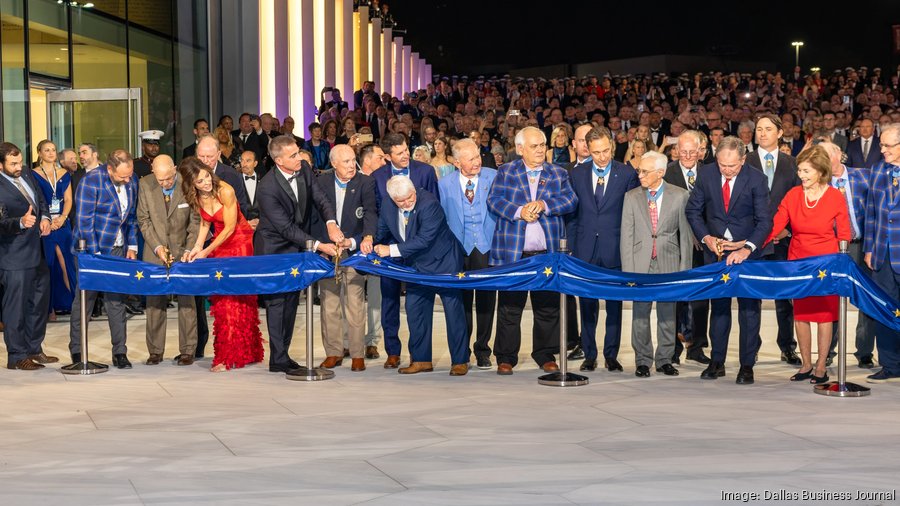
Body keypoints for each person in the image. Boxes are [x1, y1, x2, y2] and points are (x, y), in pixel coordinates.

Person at [487, 126, 578, 375]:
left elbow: (571, 200)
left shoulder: (558, 172)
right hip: (513, 254)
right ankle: (506, 357)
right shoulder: (506, 171)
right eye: (534, 146)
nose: (540, 150)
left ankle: (545, 354)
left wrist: (544, 205)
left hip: (547, 254)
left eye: (542, 145)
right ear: (520, 149)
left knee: (547, 308)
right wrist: (519, 211)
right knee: (509, 308)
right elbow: (494, 201)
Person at [685, 136, 772, 385]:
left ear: (743, 160)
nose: (726, 170)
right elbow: (693, 210)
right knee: (719, 307)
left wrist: (747, 248)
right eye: (722, 164)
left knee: (749, 310)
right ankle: (717, 361)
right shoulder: (706, 174)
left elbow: (765, 221)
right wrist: (706, 238)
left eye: (731, 166)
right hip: (716, 252)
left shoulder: (756, 179)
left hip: (747, 254)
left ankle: (747, 365)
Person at [254, 135, 342, 373]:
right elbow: (285, 228)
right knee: (277, 303)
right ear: (279, 161)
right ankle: (278, 359)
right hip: (273, 248)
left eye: (298, 152)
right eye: (293, 155)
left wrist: (331, 223)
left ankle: (281, 356)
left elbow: (321, 198)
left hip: (297, 244)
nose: (299, 157)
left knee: (292, 300)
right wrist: (320, 246)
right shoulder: (267, 187)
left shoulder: (302, 168)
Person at [764, 145, 851, 384]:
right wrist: (750, 244)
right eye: (800, 170)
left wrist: (841, 263)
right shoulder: (793, 195)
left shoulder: (835, 196)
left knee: (824, 315)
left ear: (821, 171)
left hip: (826, 263)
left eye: (806, 171)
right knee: (801, 314)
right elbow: (774, 225)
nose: (801, 175)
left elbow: (844, 233)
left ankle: (821, 365)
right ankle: (806, 365)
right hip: (798, 262)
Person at [373, 176, 470, 375]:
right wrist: (367, 240)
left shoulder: (429, 204)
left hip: (444, 263)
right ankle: (421, 360)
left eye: (410, 197)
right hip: (417, 266)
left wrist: (390, 250)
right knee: (415, 311)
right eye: (401, 201)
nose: (407, 202)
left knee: (454, 313)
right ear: (392, 199)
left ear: (414, 190)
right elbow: (381, 231)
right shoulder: (387, 205)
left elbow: (424, 239)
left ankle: (460, 361)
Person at [180, 157, 264, 372]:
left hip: (239, 242)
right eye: (200, 181)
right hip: (219, 242)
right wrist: (197, 246)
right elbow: (205, 221)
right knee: (222, 300)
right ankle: (241, 352)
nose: (206, 182)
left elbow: (229, 228)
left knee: (236, 300)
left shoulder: (225, 190)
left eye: (206, 176)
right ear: (192, 184)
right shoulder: (196, 195)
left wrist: (206, 251)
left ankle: (231, 356)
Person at [567, 127, 639, 372]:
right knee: (587, 306)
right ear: (587, 149)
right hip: (585, 249)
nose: (602, 156)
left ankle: (611, 355)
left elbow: (631, 215)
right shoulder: (577, 174)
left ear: (612, 146)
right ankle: (589, 354)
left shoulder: (626, 174)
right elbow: (573, 215)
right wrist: (573, 248)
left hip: (614, 249)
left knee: (614, 307)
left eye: (606, 151)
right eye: (596, 152)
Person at [620, 151, 693, 377]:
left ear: (660, 173)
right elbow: (626, 236)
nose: (640, 175)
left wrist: (684, 270)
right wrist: (628, 272)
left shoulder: (680, 195)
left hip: (669, 261)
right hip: (640, 264)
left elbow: (685, 237)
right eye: (639, 170)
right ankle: (642, 360)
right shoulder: (631, 196)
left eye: (645, 171)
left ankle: (664, 359)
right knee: (640, 314)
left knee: (668, 314)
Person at [370, 132, 439, 368]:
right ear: (387, 156)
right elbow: (376, 212)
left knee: (418, 302)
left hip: (420, 249)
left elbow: (435, 207)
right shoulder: (377, 177)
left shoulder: (425, 172)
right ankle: (392, 351)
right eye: (399, 153)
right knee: (389, 300)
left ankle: (419, 355)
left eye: (406, 150)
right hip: (389, 249)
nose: (406, 155)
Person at [69, 149, 140, 369]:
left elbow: (132, 217)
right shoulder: (91, 181)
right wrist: (95, 255)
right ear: (109, 169)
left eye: (129, 175)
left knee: (116, 301)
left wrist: (132, 245)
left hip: (117, 249)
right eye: (122, 176)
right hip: (90, 250)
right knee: (85, 300)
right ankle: (78, 350)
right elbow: (84, 221)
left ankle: (120, 352)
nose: (127, 180)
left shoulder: (131, 179)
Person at [314, 145, 377, 372]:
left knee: (355, 305)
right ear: (333, 164)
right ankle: (334, 352)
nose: (352, 166)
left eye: (353, 160)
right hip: (328, 252)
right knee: (329, 305)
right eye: (346, 162)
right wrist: (321, 246)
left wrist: (363, 238)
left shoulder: (365, 182)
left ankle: (358, 354)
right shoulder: (321, 182)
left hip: (353, 252)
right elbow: (315, 217)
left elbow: (370, 213)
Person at [745, 113, 801, 366]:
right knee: (751, 297)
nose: (763, 133)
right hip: (752, 240)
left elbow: (798, 199)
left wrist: (786, 230)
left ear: (779, 133)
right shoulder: (745, 161)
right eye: (759, 129)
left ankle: (787, 346)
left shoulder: (793, 163)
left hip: (783, 239)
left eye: (768, 129)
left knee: (784, 297)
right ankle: (751, 347)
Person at [438, 138, 498, 369]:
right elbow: (442, 219)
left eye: (478, 156)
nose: (477, 162)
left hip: (486, 246)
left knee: (486, 300)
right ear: (457, 162)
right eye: (471, 158)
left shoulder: (493, 177)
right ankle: (462, 350)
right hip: (459, 249)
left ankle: (483, 350)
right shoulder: (444, 184)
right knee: (461, 302)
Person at [137, 155, 200, 366]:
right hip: (154, 252)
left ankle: (188, 350)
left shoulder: (187, 182)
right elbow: (143, 220)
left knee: (187, 303)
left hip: (183, 252)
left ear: (175, 169)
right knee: (154, 303)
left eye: (169, 178)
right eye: (161, 180)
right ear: (153, 173)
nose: (165, 183)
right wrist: (157, 247)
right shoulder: (145, 184)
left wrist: (189, 250)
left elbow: (195, 221)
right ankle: (155, 351)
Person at [0, 142, 54, 370]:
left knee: (39, 303)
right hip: (14, 256)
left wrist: (45, 218)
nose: (18, 167)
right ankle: (17, 356)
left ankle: (33, 349)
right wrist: (20, 222)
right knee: (16, 308)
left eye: (20, 161)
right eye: (13, 164)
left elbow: (40, 200)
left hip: (36, 251)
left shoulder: (27, 173)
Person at [663, 131, 711, 365]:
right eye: (684, 152)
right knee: (675, 297)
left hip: (704, 245)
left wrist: (704, 235)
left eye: (693, 151)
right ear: (676, 151)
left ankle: (697, 346)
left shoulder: (710, 172)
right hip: (675, 244)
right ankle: (672, 347)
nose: (689, 156)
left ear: (701, 150)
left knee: (702, 298)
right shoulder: (667, 172)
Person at [863, 123, 900, 383]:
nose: (883, 150)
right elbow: (871, 213)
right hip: (881, 254)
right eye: (881, 145)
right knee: (884, 309)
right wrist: (868, 248)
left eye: (888, 146)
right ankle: (890, 364)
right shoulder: (877, 170)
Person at [32, 139, 76, 316]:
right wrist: (47, 220)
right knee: (48, 264)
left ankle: (75, 305)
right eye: (47, 150)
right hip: (44, 225)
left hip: (62, 223)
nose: (51, 153)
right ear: (39, 153)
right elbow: (35, 201)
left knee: (67, 263)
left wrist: (62, 218)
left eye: (53, 150)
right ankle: (48, 308)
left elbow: (69, 200)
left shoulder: (64, 173)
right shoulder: (33, 174)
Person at [358, 144, 388, 358]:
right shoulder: (352, 179)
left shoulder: (385, 180)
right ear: (367, 160)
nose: (384, 162)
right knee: (352, 296)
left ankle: (372, 341)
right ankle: (350, 340)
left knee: (376, 295)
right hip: (354, 246)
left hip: (378, 246)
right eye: (380, 158)